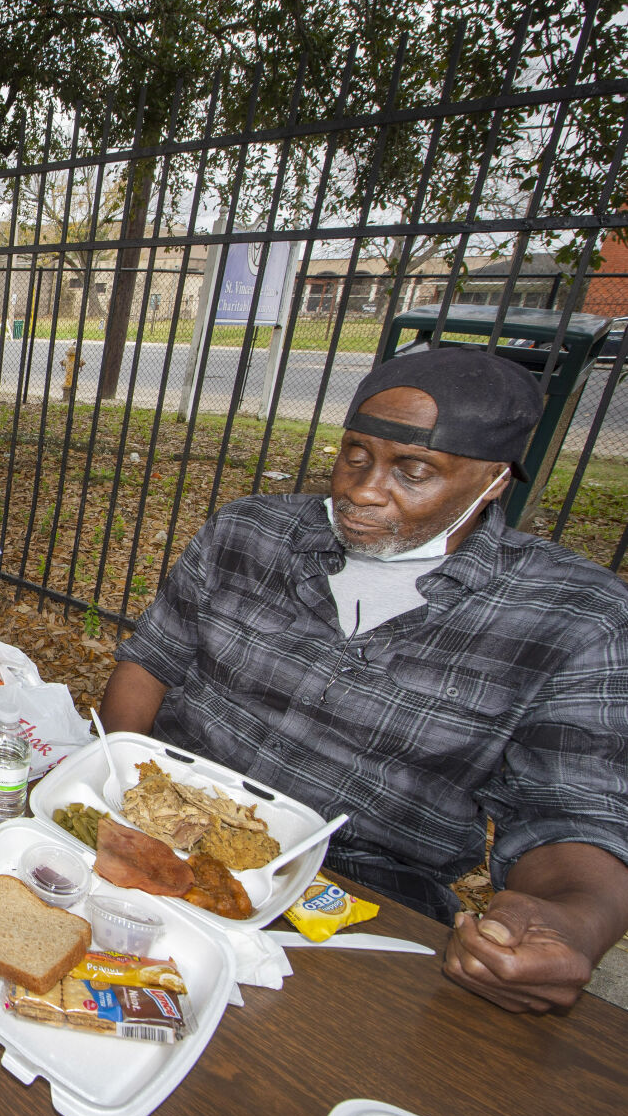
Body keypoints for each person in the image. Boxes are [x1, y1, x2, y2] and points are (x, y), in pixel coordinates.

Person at [98, 347, 628, 1014]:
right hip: (160, 837)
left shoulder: (570, 616)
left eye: (413, 470)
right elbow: (150, 660)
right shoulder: (248, 532)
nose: (360, 489)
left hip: (358, 905)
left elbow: (571, 814)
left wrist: (573, 920)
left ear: (493, 480)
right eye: (354, 454)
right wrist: (122, 787)